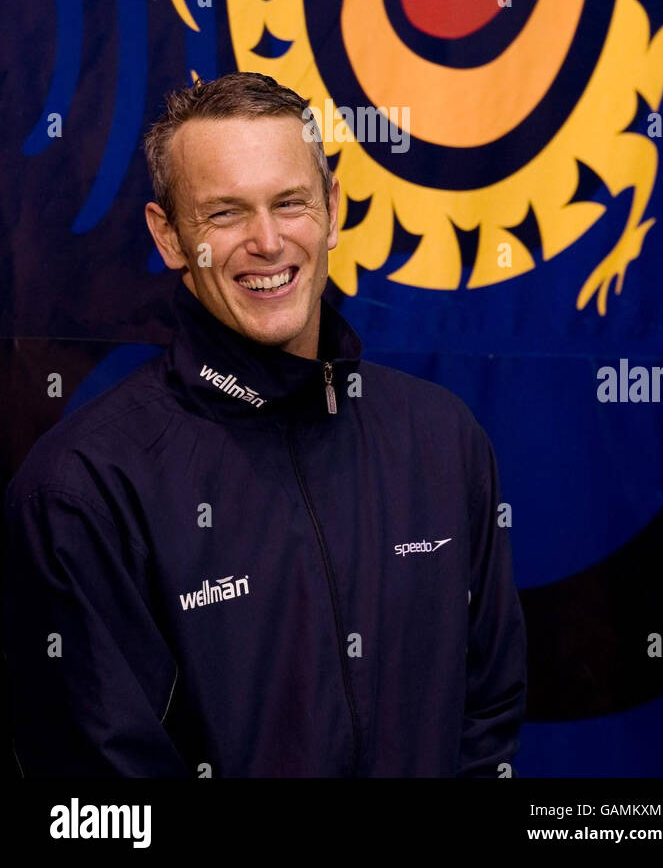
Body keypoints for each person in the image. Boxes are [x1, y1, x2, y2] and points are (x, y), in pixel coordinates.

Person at [3, 72, 527, 778]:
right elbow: (103, 795)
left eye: (290, 203)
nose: (268, 241)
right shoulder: (83, 488)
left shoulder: (440, 439)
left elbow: (487, 715)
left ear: (334, 209)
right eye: (224, 214)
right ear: (170, 236)